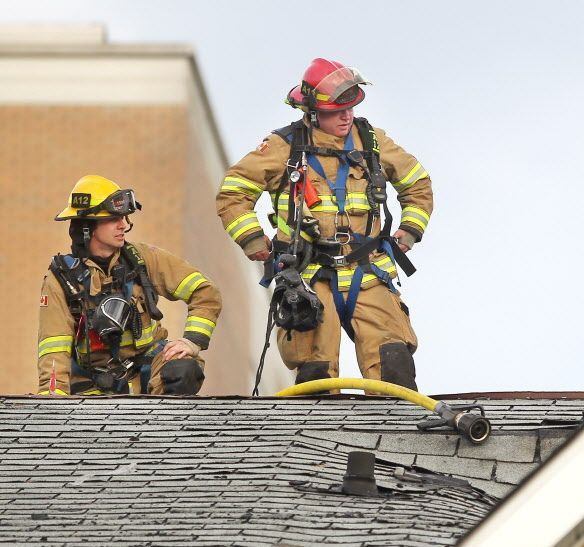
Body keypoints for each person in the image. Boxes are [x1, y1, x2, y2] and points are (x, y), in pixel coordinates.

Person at [216, 58, 432, 390]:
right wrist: (253, 240)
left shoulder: (372, 141)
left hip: (369, 270)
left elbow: (417, 184)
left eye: (351, 107)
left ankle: (396, 434)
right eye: (337, 110)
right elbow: (233, 192)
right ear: (313, 112)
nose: (347, 116)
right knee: (314, 374)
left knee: (394, 363)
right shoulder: (282, 147)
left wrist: (410, 230)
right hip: (308, 276)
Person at [38, 175, 222, 396]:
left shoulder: (143, 259)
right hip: (94, 385)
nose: (123, 225)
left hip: (148, 370)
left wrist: (192, 341)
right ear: (87, 226)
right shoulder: (61, 280)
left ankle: (165, 429)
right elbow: (53, 350)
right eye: (113, 219)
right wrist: (51, 408)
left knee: (183, 370)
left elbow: (205, 292)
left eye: (124, 217)